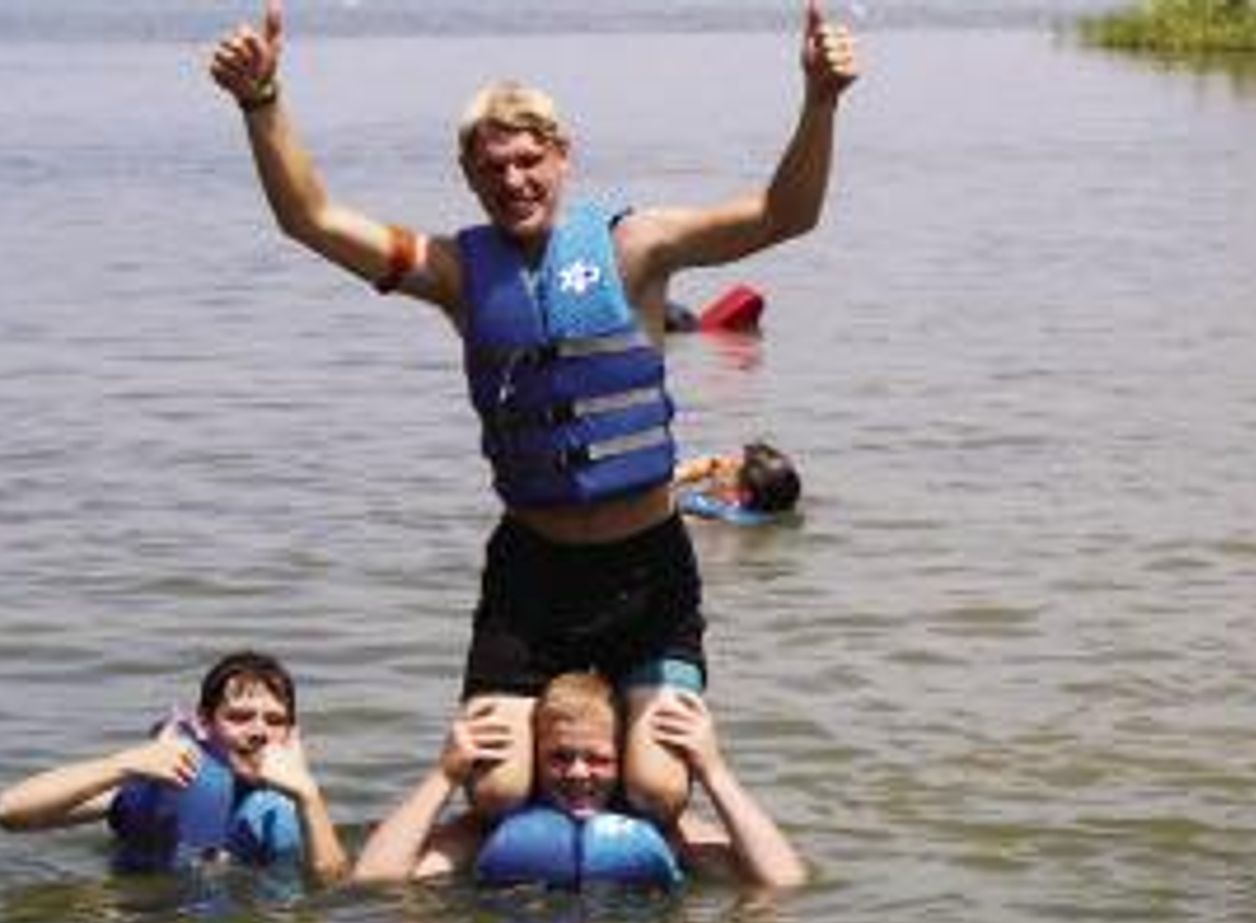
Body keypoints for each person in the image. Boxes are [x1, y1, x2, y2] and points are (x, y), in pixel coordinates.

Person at [208, 1, 858, 827]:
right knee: (499, 789)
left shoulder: (638, 246)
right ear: (470, 176)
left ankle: (642, 826)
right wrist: (262, 103)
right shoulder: (453, 272)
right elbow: (313, 219)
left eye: (528, 160)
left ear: (562, 156)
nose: (513, 181)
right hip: (533, 574)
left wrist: (822, 96)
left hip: (649, 571)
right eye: (493, 168)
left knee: (660, 791)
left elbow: (784, 215)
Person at [352, 671, 808, 889]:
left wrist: (713, 771)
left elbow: (784, 883)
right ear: (534, 757)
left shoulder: (665, 832)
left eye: (598, 759)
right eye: (559, 757)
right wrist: (444, 775)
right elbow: (374, 880)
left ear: (622, 758)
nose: (577, 773)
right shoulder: (487, 831)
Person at [0, 651, 348, 885]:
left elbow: (330, 888)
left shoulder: (285, 811)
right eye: (239, 717)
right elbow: (10, 814)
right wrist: (122, 765)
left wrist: (308, 796)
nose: (258, 731)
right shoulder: (168, 783)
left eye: (275, 721)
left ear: (291, 734)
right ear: (204, 723)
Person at [675, 440, 802, 521]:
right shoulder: (761, 515)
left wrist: (684, 474)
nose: (722, 462)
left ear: (745, 495)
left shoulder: (696, 519)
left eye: (732, 465)